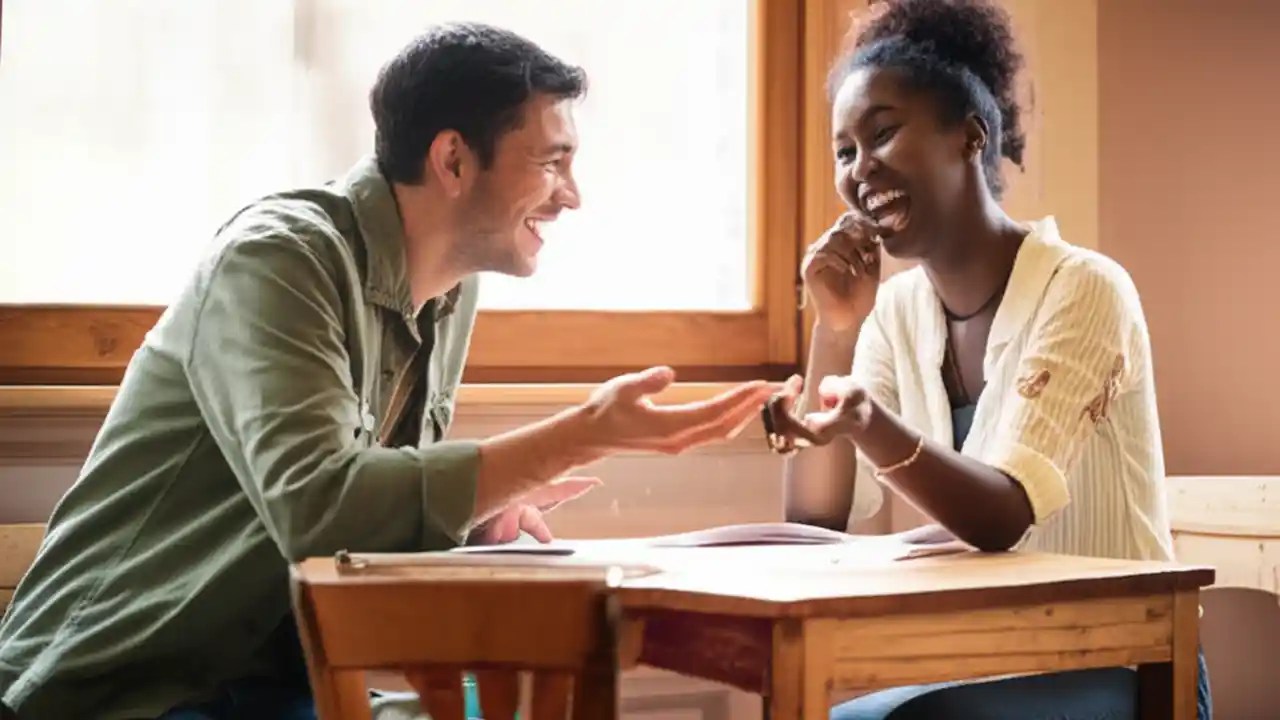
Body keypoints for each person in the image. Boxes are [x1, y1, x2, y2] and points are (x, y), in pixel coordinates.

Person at [0, 23, 773, 720]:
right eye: (552, 161)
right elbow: (318, 509)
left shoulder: (448, 291)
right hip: (126, 687)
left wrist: (475, 520)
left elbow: (356, 523)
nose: (572, 195)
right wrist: (576, 436)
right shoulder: (279, 257)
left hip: (278, 687)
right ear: (453, 159)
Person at [769, 1, 1212, 718]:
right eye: (844, 152)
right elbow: (817, 518)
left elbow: (1003, 513)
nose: (860, 169)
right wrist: (835, 328)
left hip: (1129, 666)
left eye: (882, 134)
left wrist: (866, 421)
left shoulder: (1085, 288)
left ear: (971, 137)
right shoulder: (895, 314)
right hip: (986, 662)